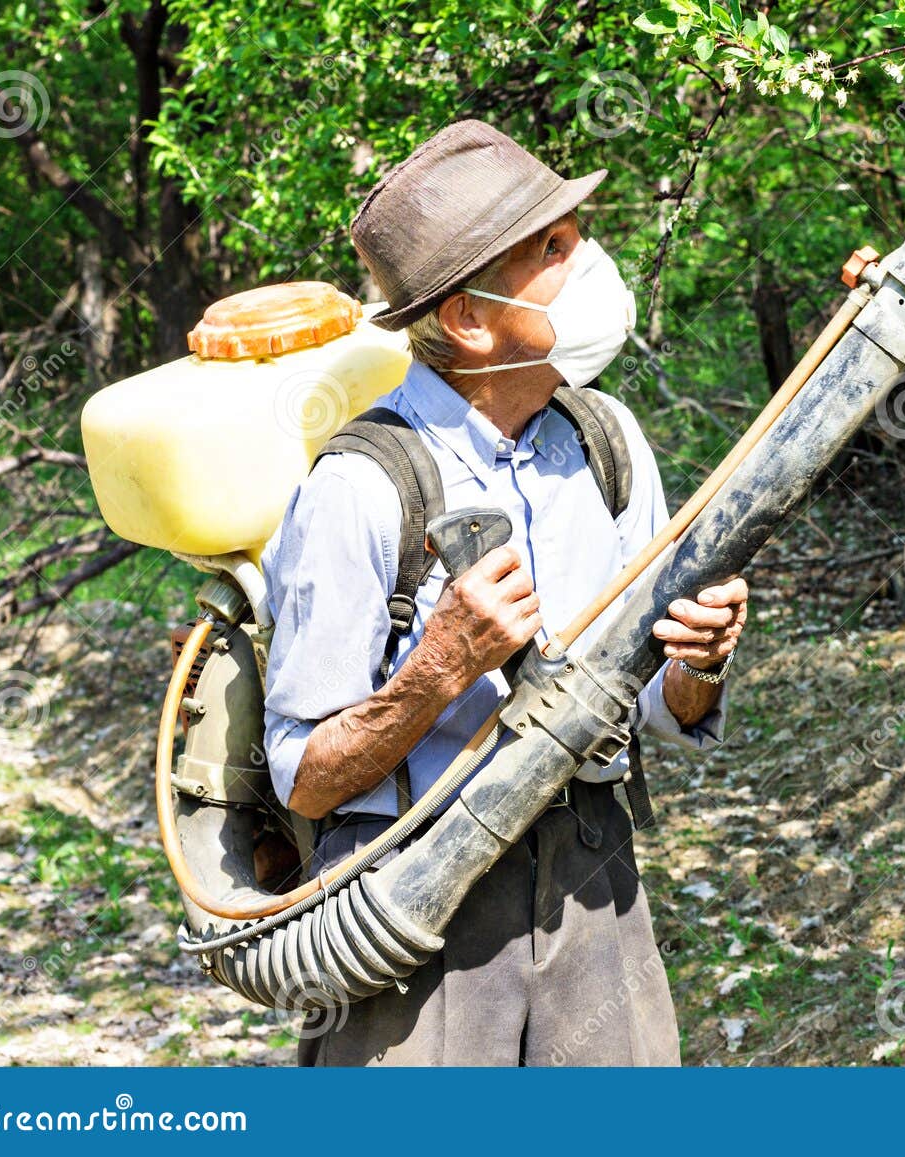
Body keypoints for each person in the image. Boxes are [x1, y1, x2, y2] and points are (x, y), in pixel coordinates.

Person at [259, 119, 747, 1065]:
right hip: (415, 913)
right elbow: (305, 773)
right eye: (554, 249)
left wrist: (699, 664)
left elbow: (662, 707)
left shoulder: (607, 441)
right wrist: (439, 668)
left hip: (596, 883)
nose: (592, 261)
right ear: (472, 319)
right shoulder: (359, 488)